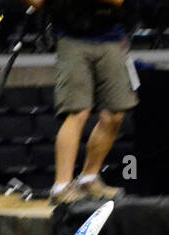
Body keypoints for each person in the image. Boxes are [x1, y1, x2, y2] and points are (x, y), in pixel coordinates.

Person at [29, 0, 139, 211]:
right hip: (72, 40)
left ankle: (89, 178)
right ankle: (61, 187)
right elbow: (35, 3)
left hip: (112, 38)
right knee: (78, 112)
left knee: (115, 115)